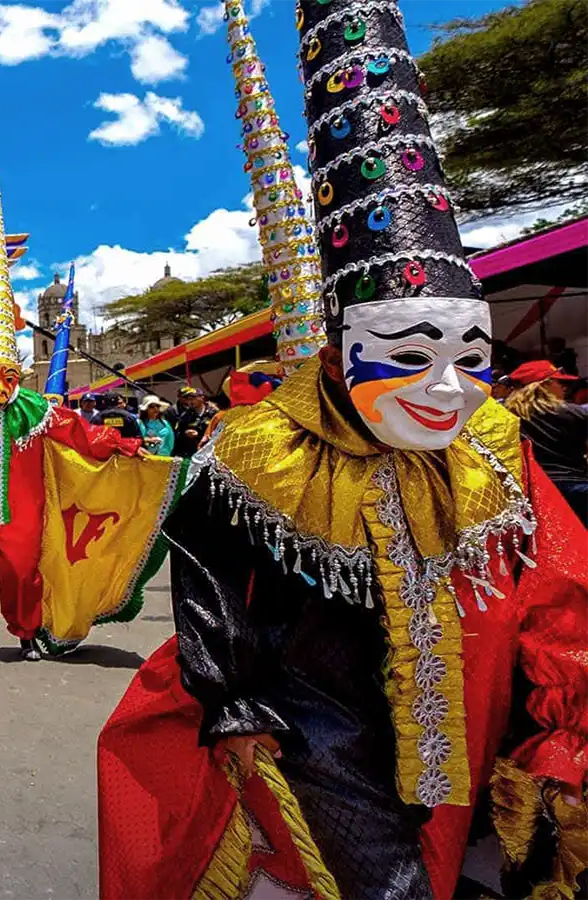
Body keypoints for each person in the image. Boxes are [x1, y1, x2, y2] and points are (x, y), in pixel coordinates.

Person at [98, 4, 588, 896]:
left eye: (469, 360)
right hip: (318, 717)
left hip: (475, 714)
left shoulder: (491, 439)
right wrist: (232, 699)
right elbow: (207, 582)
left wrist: (563, 712)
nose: (447, 387)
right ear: (337, 353)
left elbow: (558, 576)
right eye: (409, 357)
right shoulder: (256, 449)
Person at [0, 170, 158, 668]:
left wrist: (127, 447)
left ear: (18, 373)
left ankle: (26, 633)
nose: (1, 386)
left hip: (26, 511)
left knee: (25, 571)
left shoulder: (39, 412)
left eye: (8, 375)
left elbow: (85, 435)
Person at [505, 359, 588, 525]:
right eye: (560, 382)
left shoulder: (505, 417)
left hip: (531, 492)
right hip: (575, 487)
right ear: (546, 385)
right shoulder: (574, 413)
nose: (565, 388)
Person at [171, 386, 215, 457]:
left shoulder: (213, 413)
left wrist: (199, 435)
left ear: (202, 398)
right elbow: (177, 435)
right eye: (188, 399)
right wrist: (185, 434)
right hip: (191, 453)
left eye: (193, 398)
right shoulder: (185, 415)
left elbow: (219, 433)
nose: (190, 401)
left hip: (208, 453)